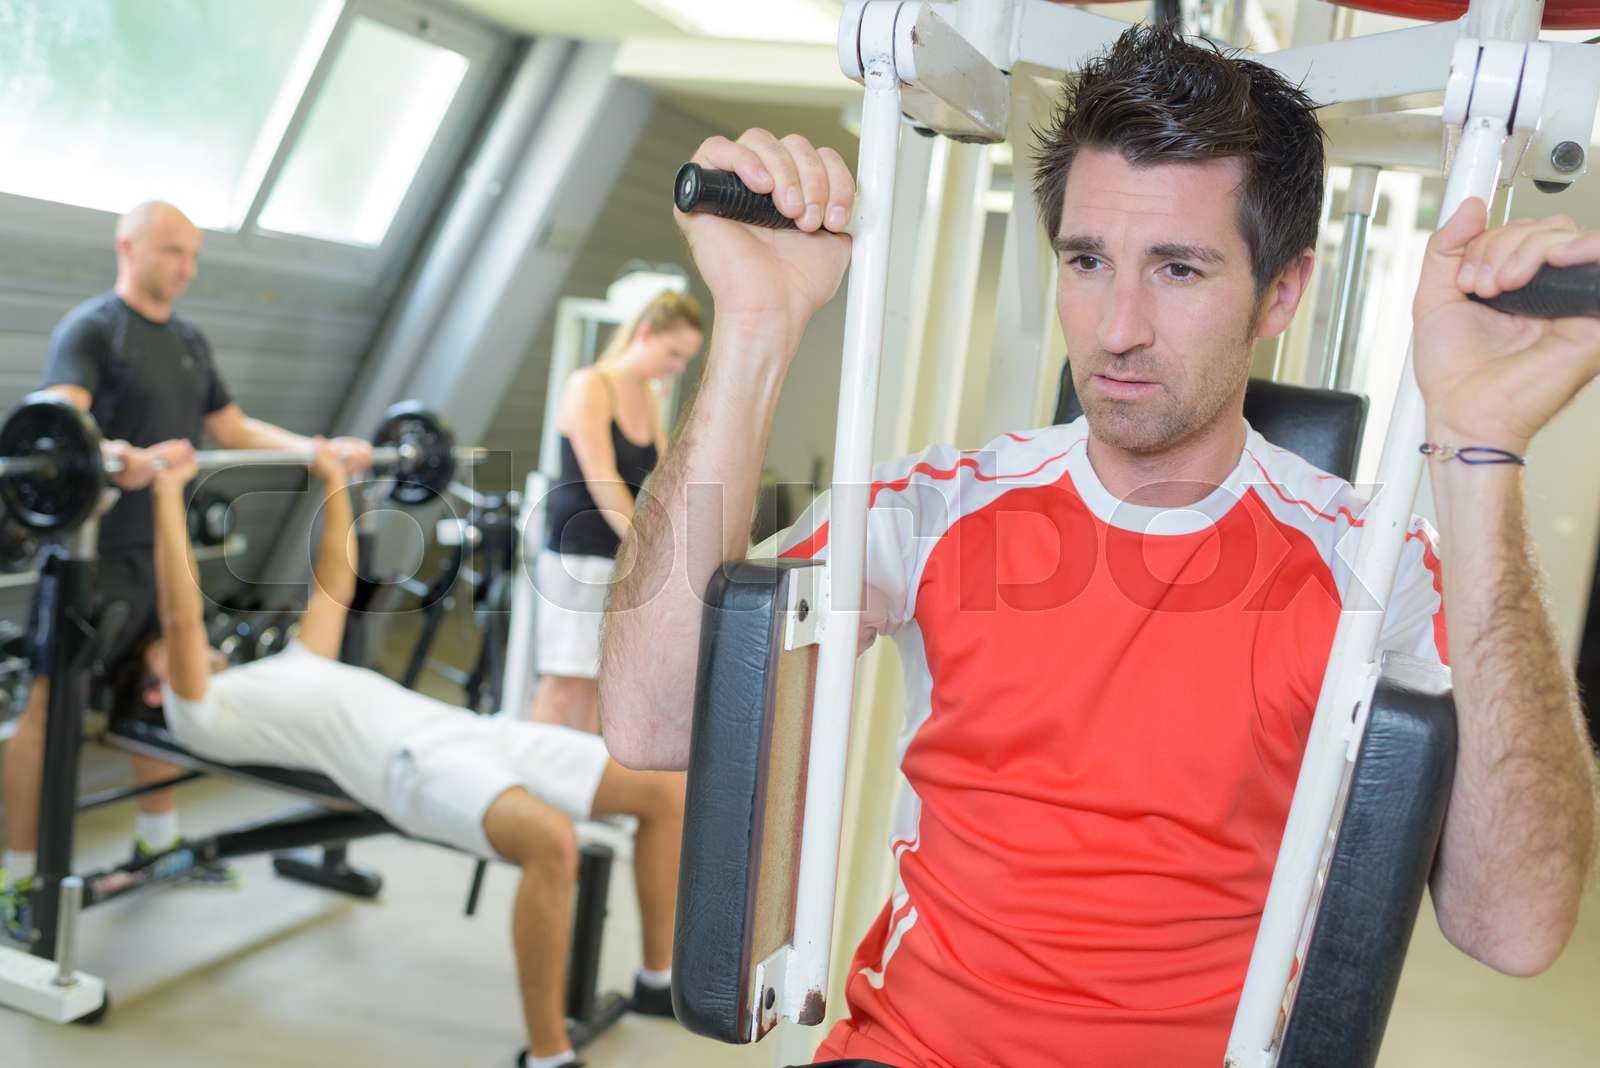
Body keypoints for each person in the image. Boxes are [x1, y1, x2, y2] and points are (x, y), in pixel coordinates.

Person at [598, 26, 1600, 1068]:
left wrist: (1479, 452)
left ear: (1282, 292)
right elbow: (653, 717)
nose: (1117, 328)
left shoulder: (1371, 562)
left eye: (1178, 269)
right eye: (1087, 261)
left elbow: (1514, 926)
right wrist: (754, 330)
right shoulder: (940, 509)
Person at [123, 437, 683, 1068]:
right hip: (412, 765)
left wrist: (336, 481)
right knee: (551, 840)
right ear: (154, 692)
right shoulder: (197, 712)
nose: (191, 645)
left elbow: (334, 583)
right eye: (163, 657)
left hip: (472, 730)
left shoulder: (288, 664)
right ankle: (547, 1054)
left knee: (662, 790)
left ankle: (655, 982)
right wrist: (167, 494)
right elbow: (180, 617)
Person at [1, 200, 372, 895]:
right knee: (48, 713)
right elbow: (62, 419)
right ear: (128, 246)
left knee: (167, 697)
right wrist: (117, 456)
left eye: (194, 255)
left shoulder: (189, 341)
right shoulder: (92, 329)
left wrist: (317, 451)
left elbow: (231, 429)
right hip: (92, 560)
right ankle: (17, 882)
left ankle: (159, 845)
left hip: (161, 560)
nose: (187, 269)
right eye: (173, 251)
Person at [530, 291, 703, 733]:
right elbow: (602, 477)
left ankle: (579, 773)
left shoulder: (647, 397)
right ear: (644, 334)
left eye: (685, 359)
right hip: (577, 555)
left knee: (596, 683)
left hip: (616, 558)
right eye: (673, 354)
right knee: (563, 681)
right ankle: (533, 765)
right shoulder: (590, 385)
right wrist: (645, 547)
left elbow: (665, 477)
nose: (677, 367)